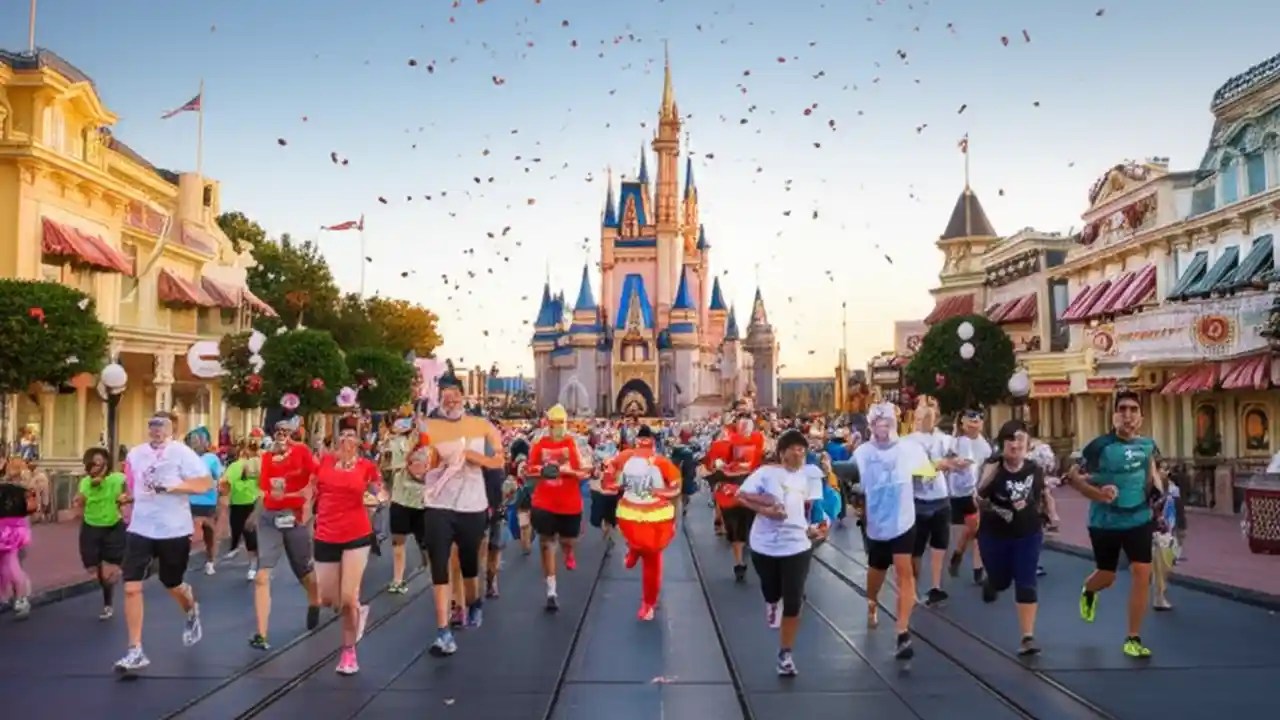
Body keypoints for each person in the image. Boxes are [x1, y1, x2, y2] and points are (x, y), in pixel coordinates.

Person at [114, 412, 213, 673]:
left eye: (162, 426)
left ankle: (191, 608)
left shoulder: (182, 453)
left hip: (173, 530)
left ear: (173, 430)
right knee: (131, 588)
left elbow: (205, 483)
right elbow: (132, 485)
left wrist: (173, 488)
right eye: (152, 425)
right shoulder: (136, 454)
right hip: (141, 528)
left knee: (172, 583)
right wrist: (126, 501)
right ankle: (135, 650)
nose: (156, 431)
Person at [1064, 390, 1159, 659]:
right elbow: (1073, 477)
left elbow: (1152, 476)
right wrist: (1098, 493)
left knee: (1142, 572)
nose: (1127, 415)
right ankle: (1089, 589)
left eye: (1133, 410)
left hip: (1139, 518)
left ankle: (1133, 638)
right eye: (1122, 410)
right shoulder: (1099, 447)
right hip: (1105, 521)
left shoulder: (1148, 446)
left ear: (1141, 417)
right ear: (1114, 415)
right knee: (1108, 575)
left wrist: (1160, 497)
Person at [422, 372, 506, 655]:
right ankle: (442, 632)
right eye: (446, 397)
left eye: (455, 396)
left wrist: (474, 458)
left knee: (469, 564)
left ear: (463, 398)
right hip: (439, 504)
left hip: (471, 504)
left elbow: (499, 460)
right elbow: (423, 459)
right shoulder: (431, 427)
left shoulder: (481, 426)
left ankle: (475, 601)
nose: (451, 400)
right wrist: (422, 465)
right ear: (441, 401)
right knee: (440, 563)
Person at [734, 429, 828, 676]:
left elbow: (812, 507)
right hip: (765, 545)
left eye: (802, 449)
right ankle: (771, 601)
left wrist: (816, 526)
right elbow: (740, 496)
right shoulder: (766, 473)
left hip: (797, 544)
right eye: (794, 449)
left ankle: (785, 654)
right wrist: (766, 510)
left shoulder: (808, 477)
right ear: (782, 452)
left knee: (794, 599)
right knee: (772, 591)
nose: (799, 453)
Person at [314, 414, 385, 675]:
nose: (347, 439)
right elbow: (310, 489)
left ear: (359, 441)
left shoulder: (366, 466)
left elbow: (378, 489)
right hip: (325, 534)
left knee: (347, 598)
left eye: (352, 435)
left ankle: (348, 652)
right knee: (327, 599)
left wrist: (379, 497)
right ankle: (358, 610)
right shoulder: (324, 463)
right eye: (343, 434)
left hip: (356, 535)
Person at [853, 402, 925, 660]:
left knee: (904, 571)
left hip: (903, 519)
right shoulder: (863, 452)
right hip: (878, 522)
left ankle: (902, 632)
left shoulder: (909, 449)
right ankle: (872, 602)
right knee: (877, 572)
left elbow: (927, 472)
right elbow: (853, 475)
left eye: (887, 423)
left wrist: (942, 468)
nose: (882, 427)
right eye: (877, 423)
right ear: (871, 426)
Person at [975, 420, 1046, 655]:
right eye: (1010, 440)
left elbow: (1040, 495)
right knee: (1003, 580)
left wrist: (1051, 515)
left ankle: (1028, 637)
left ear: (1027, 443)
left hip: (1028, 534)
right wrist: (990, 477)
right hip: (995, 535)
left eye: (1020, 440)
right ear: (1002, 443)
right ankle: (993, 581)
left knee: (1026, 581)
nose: (1015, 445)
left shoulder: (1035, 469)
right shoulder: (993, 467)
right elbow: (977, 496)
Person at [253, 412, 322, 651]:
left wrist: (307, 494)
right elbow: (265, 488)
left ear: (292, 434)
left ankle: (314, 599)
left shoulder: (302, 451)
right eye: (278, 432)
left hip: (294, 517)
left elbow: (316, 472)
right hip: (271, 518)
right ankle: (261, 634)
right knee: (262, 576)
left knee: (303, 571)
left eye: (285, 432)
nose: (281, 436)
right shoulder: (267, 457)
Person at [601, 425, 681, 620]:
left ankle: (635, 554)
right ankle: (648, 604)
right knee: (652, 560)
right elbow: (676, 487)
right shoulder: (661, 462)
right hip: (652, 519)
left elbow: (608, 479)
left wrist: (611, 481)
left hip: (633, 516)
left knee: (648, 554)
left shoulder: (625, 457)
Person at [902, 396, 964, 607]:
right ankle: (912, 588)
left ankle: (936, 587)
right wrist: (939, 465)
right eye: (923, 411)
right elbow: (912, 471)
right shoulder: (908, 442)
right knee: (916, 549)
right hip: (918, 501)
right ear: (916, 416)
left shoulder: (944, 439)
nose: (927, 416)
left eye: (932, 411)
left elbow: (958, 456)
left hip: (941, 499)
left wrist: (957, 461)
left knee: (939, 545)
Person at [525, 404, 586, 613]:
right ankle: (551, 591)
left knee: (567, 540)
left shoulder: (575, 442)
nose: (556, 427)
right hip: (544, 502)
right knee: (546, 543)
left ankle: (568, 551)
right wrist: (542, 470)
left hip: (569, 504)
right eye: (553, 424)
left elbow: (583, 469)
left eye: (560, 423)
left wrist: (568, 471)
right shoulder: (539, 443)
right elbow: (529, 468)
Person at [74, 447, 127, 620]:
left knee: (107, 572)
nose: (96, 467)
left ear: (106, 463)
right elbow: (80, 500)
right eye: (93, 463)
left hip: (113, 527)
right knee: (92, 567)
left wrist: (126, 498)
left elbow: (130, 492)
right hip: (91, 527)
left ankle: (108, 603)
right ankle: (107, 576)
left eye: (100, 463)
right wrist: (79, 502)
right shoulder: (85, 483)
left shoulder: (117, 479)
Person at [947, 409, 990, 584]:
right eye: (970, 420)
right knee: (970, 530)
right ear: (962, 424)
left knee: (978, 530)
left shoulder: (984, 445)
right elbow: (946, 461)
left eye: (978, 419)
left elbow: (989, 465)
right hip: (957, 492)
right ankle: (957, 554)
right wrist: (956, 463)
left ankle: (978, 569)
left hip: (976, 491)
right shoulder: (955, 443)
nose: (974, 423)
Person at [388, 419, 429, 594]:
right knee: (398, 542)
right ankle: (398, 579)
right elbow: (388, 466)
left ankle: (433, 574)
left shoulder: (430, 450)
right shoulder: (395, 445)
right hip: (401, 499)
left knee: (426, 544)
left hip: (422, 502)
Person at [185, 427, 223, 576]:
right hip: (188, 499)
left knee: (209, 532)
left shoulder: (211, 458)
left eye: (199, 439)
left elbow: (220, 478)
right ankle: (182, 560)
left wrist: (221, 500)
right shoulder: (185, 457)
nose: (196, 443)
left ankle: (210, 561)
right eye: (193, 440)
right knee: (185, 532)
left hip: (208, 500)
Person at [0, 459, 36, 619]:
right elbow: (33, 509)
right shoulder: (23, 488)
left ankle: (20, 598)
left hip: (9, 531)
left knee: (11, 564)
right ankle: (18, 598)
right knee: (11, 564)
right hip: (17, 529)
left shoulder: (15, 488)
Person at [223, 436, 262, 581]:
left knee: (250, 533)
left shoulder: (257, 464)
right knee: (236, 529)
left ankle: (253, 564)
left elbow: (263, 482)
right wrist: (224, 494)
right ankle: (236, 547)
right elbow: (225, 482)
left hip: (252, 503)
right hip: (237, 503)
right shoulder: (235, 466)